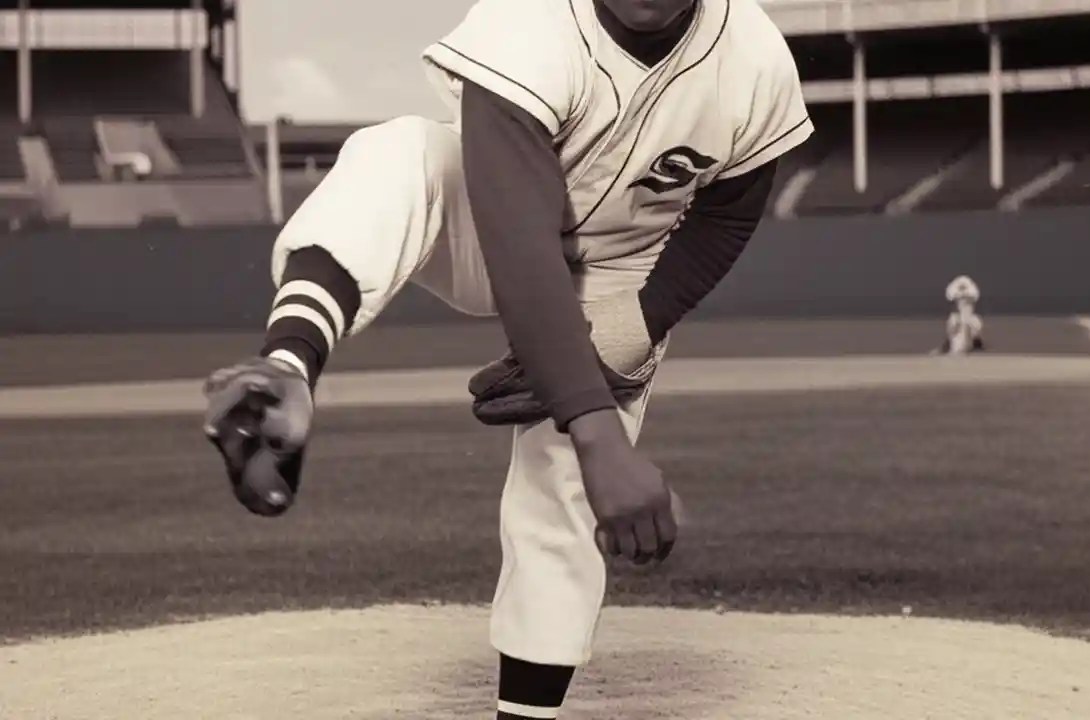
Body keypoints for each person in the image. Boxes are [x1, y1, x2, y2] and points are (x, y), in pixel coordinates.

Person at [202, 0, 811, 717]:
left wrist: (634, 328)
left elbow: (727, 212)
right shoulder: (528, 18)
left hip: (624, 271)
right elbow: (520, 245)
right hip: (488, 224)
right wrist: (598, 426)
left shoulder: (755, 57)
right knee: (402, 152)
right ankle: (288, 367)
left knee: (565, 491)